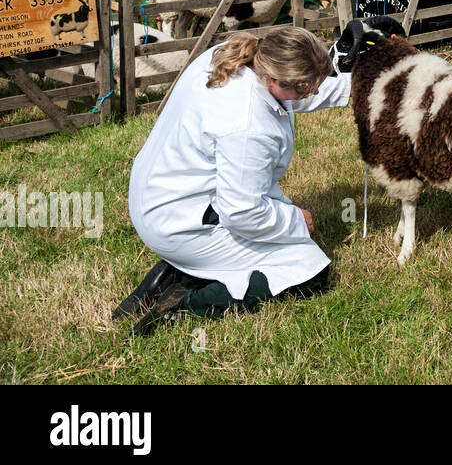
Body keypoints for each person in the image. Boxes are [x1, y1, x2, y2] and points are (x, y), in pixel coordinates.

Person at [121, 27, 352, 336]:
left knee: (280, 242)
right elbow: (243, 213)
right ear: (275, 79)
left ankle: (175, 273)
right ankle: (186, 301)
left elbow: (297, 94)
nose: (310, 93)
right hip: (180, 220)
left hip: (161, 193)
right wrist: (296, 220)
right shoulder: (247, 124)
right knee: (308, 270)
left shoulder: (237, 55)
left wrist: (362, 83)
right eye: (305, 87)